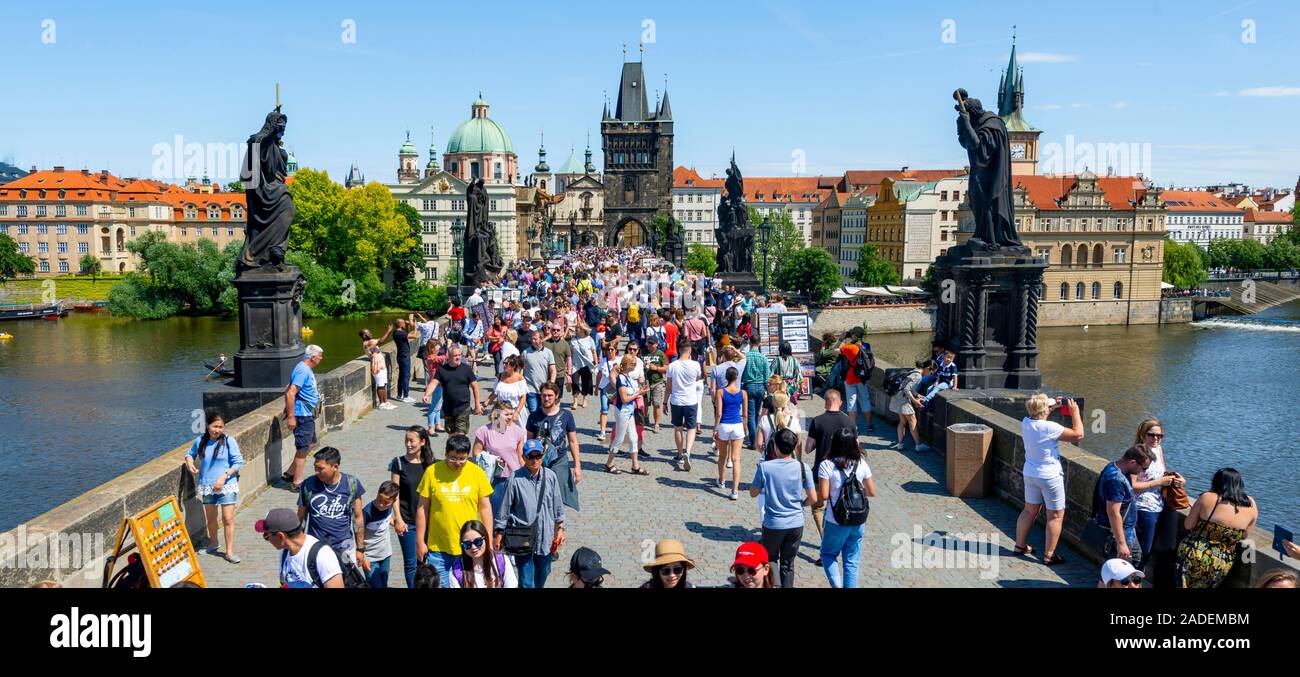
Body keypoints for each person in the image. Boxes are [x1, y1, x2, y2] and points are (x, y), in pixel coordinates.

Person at [1013, 393, 1084, 566]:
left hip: (1030, 473)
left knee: (1029, 511)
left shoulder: (1026, 422)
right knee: (1056, 516)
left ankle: (1020, 546)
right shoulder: (1050, 427)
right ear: (1044, 410)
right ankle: (1049, 555)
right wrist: (1075, 412)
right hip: (1049, 476)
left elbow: (1039, 415)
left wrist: (1052, 406)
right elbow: (1078, 434)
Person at [415, 434, 494, 586]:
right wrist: (420, 541)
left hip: (470, 548)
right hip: (438, 548)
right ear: (445, 454)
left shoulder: (477, 473)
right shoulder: (432, 472)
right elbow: (422, 509)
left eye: (462, 459)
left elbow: (485, 509)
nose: (457, 463)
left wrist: (488, 540)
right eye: (452, 458)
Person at [495, 439, 566, 588]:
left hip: (545, 537)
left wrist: (560, 529)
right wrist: (499, 534)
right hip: (522, 537)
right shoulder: (514, 478)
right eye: (531, 457)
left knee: (543, 574)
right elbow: (504, 509)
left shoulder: (551, 476)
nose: (535, 460)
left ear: (542, 456)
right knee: (527, 582)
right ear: (524, 457)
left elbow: (558, 505)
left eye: (538, 456)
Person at [750, 428, 815, 588]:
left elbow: (753, 492)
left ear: (776, 447)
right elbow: (813, 498)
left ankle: (774, 584)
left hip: (773, 523)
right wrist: (802, 504)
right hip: (795, 523)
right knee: (788, 563)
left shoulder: (766, 467)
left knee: (771, 558)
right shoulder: (803, 467)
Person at [1177, 468, 1258, 588]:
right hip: (1222, 559)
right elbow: (1245, 535)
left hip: (1197, 553)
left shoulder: (1207, 497)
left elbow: (1188, 525)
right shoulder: (1251, 503)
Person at [817, 428, 876, 587]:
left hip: (835, 520)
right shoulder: (862, 463)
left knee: (828, 554)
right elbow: (871, 491)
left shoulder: (827, 465)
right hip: (858, 519)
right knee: (851, 562)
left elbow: (823, 495)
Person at [185, 411, 244, 564]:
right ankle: (213, 543)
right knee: (211, 519)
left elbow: (238, 463)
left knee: (227, 518)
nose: (217, 430)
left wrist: (223, 477)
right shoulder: (200, 441)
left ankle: (229, 551)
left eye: (221, 427)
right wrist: (190, 463)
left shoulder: (229, 441)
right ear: (208, 425)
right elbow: (189, 454)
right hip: (207, 486)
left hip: (226, 485)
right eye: (214, 426)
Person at [297, 446, 366, 568]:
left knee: (347, 581)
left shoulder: (352, 484)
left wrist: (360, 549)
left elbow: (358, 518)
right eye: (315, 468)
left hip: (344, 547)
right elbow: (301, 518)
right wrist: (297, 544)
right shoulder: (308, 485)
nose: (316, 472)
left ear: (335, 467)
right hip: (316, 546)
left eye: (321, 469)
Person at [1129, 419, 1183, 572]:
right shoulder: (1137, 453)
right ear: (1142, 434)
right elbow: (1132, 485)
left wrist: (1175, 481)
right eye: (1151, 435)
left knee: (1149, 549)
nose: (1156, 439)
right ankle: (1130, 579)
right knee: (1142, 551)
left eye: (1160, 436)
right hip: (1142, 507)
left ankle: (1134, 578)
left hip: (1158, 506)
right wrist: (1159, 482)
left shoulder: (1158, 450)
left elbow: (1162, 473)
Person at [388, 426, 434, 589]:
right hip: (407, 521)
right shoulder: (399, 463)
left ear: (422, 442)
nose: (408, 444)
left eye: (411, 441)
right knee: (411, 562)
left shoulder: (432, 464)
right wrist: (398, 518)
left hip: (430, 521)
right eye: (406, 440)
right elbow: (394, 493)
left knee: (426, 561)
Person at [1094, 444, 1155, 567]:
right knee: (1118, 571)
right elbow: (1113, 512)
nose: (1144, 471)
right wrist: (1121, 543)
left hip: (1128, 531)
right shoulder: (1116, 480)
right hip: (1120, 534)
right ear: (1133, 462)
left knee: (1135, 561)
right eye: (1143, 468)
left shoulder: (1115, 467)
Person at [805, 389, 853, 542]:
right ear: (840, 402)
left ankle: (825, 539)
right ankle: (840, 539)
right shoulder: (849, 422)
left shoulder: (817, 421)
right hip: (844, 473)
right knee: (841, 506)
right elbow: (856, 447)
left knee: (818, 507)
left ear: (826, 402)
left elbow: (808, 448)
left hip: (822, 472)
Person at [526, 381, 583, 509]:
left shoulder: (566, 415)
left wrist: (577, 467)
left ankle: (558, 525)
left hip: (559, 460)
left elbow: (573, 441)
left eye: (550, 395)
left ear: (556, 396)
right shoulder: (534, 416)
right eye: (544, 395)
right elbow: (529, 442)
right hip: (539, 462)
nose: (546, 398)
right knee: (540, 497)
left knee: (560, 497)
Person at [258, 507, 343, 588]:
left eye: (266, 535)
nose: (267, 539)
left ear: (281, 536)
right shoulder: (284, 553)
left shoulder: (323, 555)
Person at [474, 400, 526, 516]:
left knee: (514, 512)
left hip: (513, 476)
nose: (510, 417)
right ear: (496, 414)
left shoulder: (517, 431)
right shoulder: (484, 431)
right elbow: (476, 452)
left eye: (511, 414)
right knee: (496, 512)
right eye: (506, 414)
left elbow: (520, 455)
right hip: (494, 479)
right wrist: (491, 459)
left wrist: (526, 474)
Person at [282, 345, 324, 490]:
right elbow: (290, 392)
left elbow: (287, 387)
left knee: (311, 444)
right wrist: (291, 416)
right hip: (302, 415)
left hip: (307, 413)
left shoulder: (304, 369)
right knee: (302, 448)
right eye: (320, 356)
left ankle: (289, 473)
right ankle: (297, 482)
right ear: (312, 357)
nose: (321, 358)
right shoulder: (302, 370)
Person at [422, 345, 482, 436]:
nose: (458, 357)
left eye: (459, 355)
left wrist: (477, 404)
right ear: (449, 357)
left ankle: (461, 449)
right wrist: (427, 394)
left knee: (460, 435)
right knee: (451, 435)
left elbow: (475, 387)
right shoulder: (442, 370)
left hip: (463, 407)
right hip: (448, 408)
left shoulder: (466, 369)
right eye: (455, 355)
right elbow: (434, 383)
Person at [604, 355, 648, 475]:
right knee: (619, 438)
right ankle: (609, 464)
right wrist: (639, 393)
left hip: (629, 411)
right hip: (623, 411)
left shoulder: (628, 377)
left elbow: (632, 393)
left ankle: (635, 466)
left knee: (634, 438)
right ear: (627, 364)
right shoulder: (621, 379)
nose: (635, 366)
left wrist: (641, 391)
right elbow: (624, 399)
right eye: (633, 364)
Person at [665, 342, 704, 471]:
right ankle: (688, 451)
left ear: (679, 351)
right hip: (691, 400)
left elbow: (668, 387)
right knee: (691, 428)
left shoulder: (672, 366)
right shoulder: (695, 365)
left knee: (677, 428)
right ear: (689, 351)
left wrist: (665, 402)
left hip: (676, 401)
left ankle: (680, 454)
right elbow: (698, 378)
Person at [448, 520, 517, 588]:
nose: (473, 547)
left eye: (478, 541)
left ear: (486, 539)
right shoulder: (456, 570)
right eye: (467, 544)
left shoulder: (502, 561)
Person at [713, 366, 747, 500]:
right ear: (737, 377)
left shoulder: (721, 392)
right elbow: (744, 414)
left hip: (724, 425)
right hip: (737, 425)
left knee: (722, 456)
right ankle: (734, 490)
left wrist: (715, 428)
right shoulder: (743, 393)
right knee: (736, 459)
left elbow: (719, 413)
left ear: (726, 377)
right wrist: (744, 428)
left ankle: (721, 481)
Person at [360, 481, 400, 588]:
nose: (381, 504)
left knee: (384, 584)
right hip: (370, 557)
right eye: (380, 500)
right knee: (376, 585)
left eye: (386, 502)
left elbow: (386, 520)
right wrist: (363, 557)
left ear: (393, 501)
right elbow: (358, 535)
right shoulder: (367, 513)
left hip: (385, 554)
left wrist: (395, 523)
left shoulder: (389, 507)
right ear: (378, 493)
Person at [838, 327, 875, 434]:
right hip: (862, 378)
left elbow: (834, 351)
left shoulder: (849, 347)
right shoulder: (866, 345)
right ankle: (869, 425)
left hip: (850, 378)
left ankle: (853, 428)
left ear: (853, 335)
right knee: (865, 400)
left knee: (851, 402)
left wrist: (841, 339)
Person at [887, 360, 927, 451]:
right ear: (927, 369)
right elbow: (906, 389)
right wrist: (915, 401)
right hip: (903, 400)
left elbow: (907, 386)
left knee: (902, 421)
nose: (930, 374)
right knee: (913, 421)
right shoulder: (918, 376)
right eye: (931, 371)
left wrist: (917, 394)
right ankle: (918, 445)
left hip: (896, 397)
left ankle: (900, 444)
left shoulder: (912, 371)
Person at [739, 341, 770, 449]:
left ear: (750, 344)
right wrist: (767, 388)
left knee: (750, 414)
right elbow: (767, 375)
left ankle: (754, 441)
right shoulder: (763, 357)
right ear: (759, 344)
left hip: (749, 386)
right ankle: (758, 438)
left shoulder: (745, 356)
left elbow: (740, 372)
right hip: (760, 386)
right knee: (757, 413)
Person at [756, 391, 803, 461]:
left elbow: (759, 444)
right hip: (789, 460)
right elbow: (798, 445)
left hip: (770, 459)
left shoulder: (764, 420)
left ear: (772, 403)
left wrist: (764, 453)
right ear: (787, 403)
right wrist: (799, 459)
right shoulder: (794, 421)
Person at [488, 354, 528, 432]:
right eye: (504, 363)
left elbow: (523, 397)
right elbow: (494, 393)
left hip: (516, 411)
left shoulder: (520, 378)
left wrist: (517, 412)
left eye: (507, 363)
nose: (505, 365)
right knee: (499, 433)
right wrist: (484, 404)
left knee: (519, 434)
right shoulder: (499, 376)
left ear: (513, 366)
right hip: (500, 410)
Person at [522, 330, 557, 414]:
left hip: (543, 389)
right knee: (533, 411)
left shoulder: (548, 353)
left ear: (541, 339)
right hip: (530, 389)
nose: (532, 341)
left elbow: (553, 370)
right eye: (532, 339)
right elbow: (520, 370)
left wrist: (551, 384)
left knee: (543, 411)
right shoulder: (525, 352)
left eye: (535, 339)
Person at [642, 336, 668, 433]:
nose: (650, 345)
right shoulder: (643, 352)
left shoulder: (660, 354)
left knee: (656, 404)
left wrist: (656, 368)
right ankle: (645, 417)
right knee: (645, 403)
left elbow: (666, 368)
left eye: (652, 343)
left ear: (656, 344)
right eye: (649, 343)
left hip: (658, 382)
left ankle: (656, 424)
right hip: (645, 382)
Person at [570, 323, 598, 409]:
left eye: (578, 328)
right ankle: (575, 401)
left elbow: (594, 352)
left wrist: (596, 362)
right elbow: (570, 353)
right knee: (574, 382)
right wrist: (569, 364)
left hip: (587, 364)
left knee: (586, 382)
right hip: (575, 364)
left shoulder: (590, 339)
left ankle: (585, 399)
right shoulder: (573, 339)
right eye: (576, 328)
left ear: (583, 329)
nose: (576, 329)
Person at [422, 341, 448, 434]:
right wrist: (448, 346)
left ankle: (437, 425)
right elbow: (445, 357)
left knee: (438, 406)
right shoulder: (431, 357)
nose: (439, 349)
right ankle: (430, 427)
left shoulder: (433, 356)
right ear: (432, 348)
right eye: (438, 348)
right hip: (435, 384)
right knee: (434, 407)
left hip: (439, 383)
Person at [544, 322, 573, 405]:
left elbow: (569, 359)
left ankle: (555, 413)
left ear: (561, 332)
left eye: (558, 330)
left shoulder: (565, 344)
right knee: (547, 396)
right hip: (547, 374)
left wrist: (569, 373)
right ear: (550, 331)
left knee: (557, 397)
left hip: (560, 374)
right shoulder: (545, 343)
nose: (555, 331)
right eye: (553, 330)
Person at [596, 342, 620, 441]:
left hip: (616, 388)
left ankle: (618, 430)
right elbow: (599, 374)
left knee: (619, 410)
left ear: (616, 350)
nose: (610, 351)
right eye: (608, 349)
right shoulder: (603, 360)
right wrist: (596, 387)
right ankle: (602, 432)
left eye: (612, 349)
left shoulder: (620, 360)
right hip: (604, 388)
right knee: (604, 409)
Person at [368, 343, 395, 410]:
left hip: (382, 367)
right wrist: (388, 331)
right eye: (368, 333)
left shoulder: (373, 342)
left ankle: (385, 402)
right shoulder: (367, 344)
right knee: (380, 386)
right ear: (364, 336)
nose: (370, 334)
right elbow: (380, 341)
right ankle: (381, 403)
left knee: (384, 385)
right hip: (377, 369)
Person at [392, 318, 413, 402]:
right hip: (404, 357)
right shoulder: (400, 334)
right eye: (404, 323)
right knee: (406, 376)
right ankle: (406, 396)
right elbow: (414, 335)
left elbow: (406, 334)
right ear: (400, 325)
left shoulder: (396, 332)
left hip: (400, 356)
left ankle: (399, 395)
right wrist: (413, 324)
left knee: (401, 376)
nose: (405, 323)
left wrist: (407, 326)